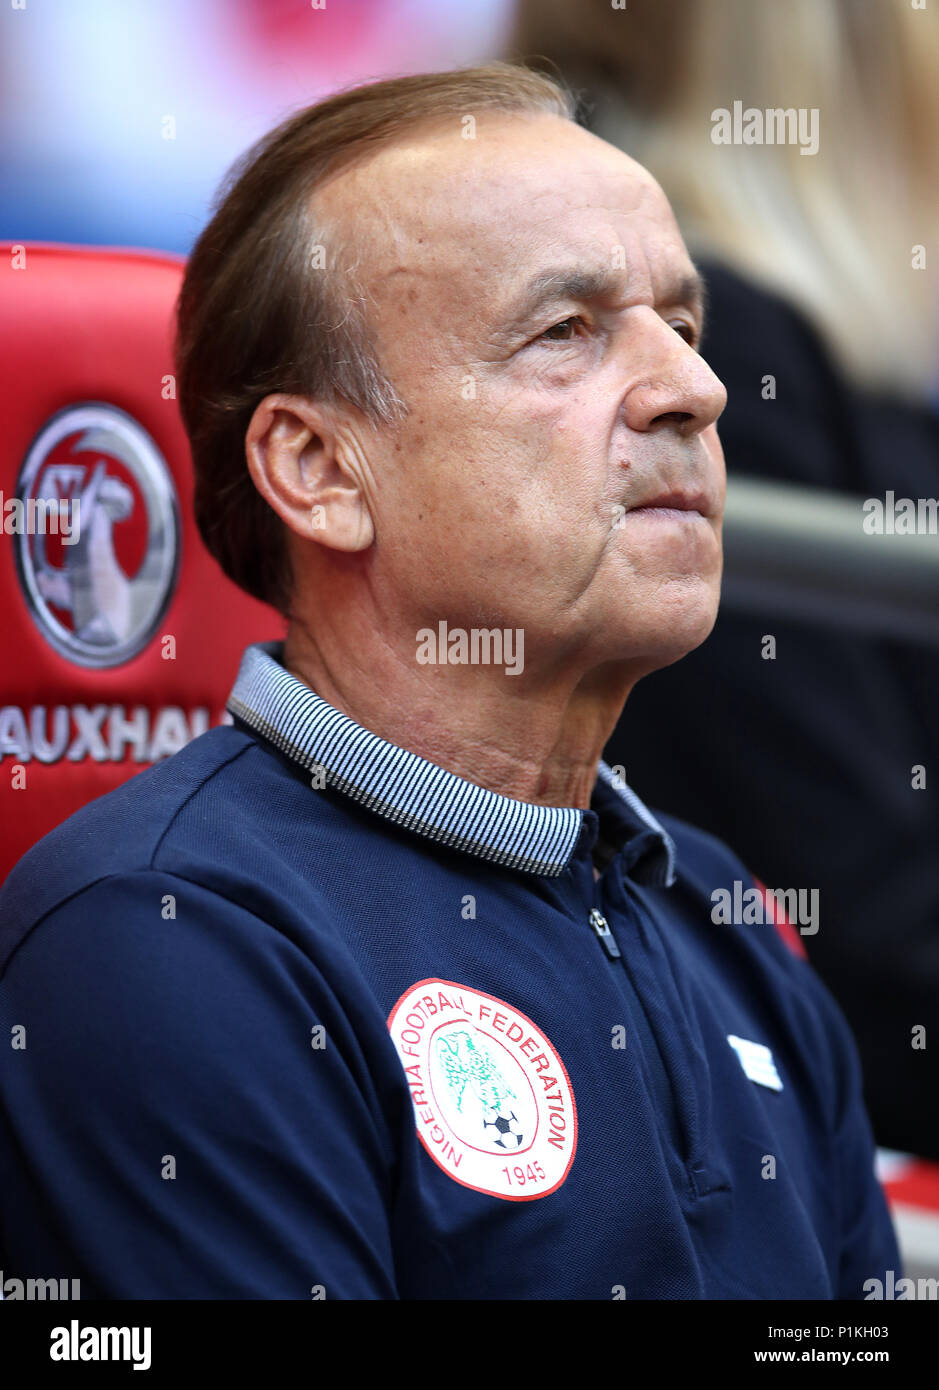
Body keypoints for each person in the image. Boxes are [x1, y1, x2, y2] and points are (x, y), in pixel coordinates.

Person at [0, 64, 898, 1298]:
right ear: (317, 467)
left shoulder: (722, 911)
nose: (695, 388)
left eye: (680, 328)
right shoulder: (162, 946)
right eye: (565, 331)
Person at [509, 0, 939, 1159]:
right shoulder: (734, 362)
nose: (669, 386)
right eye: (562, 333)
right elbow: (877, 942)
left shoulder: (822, 353)